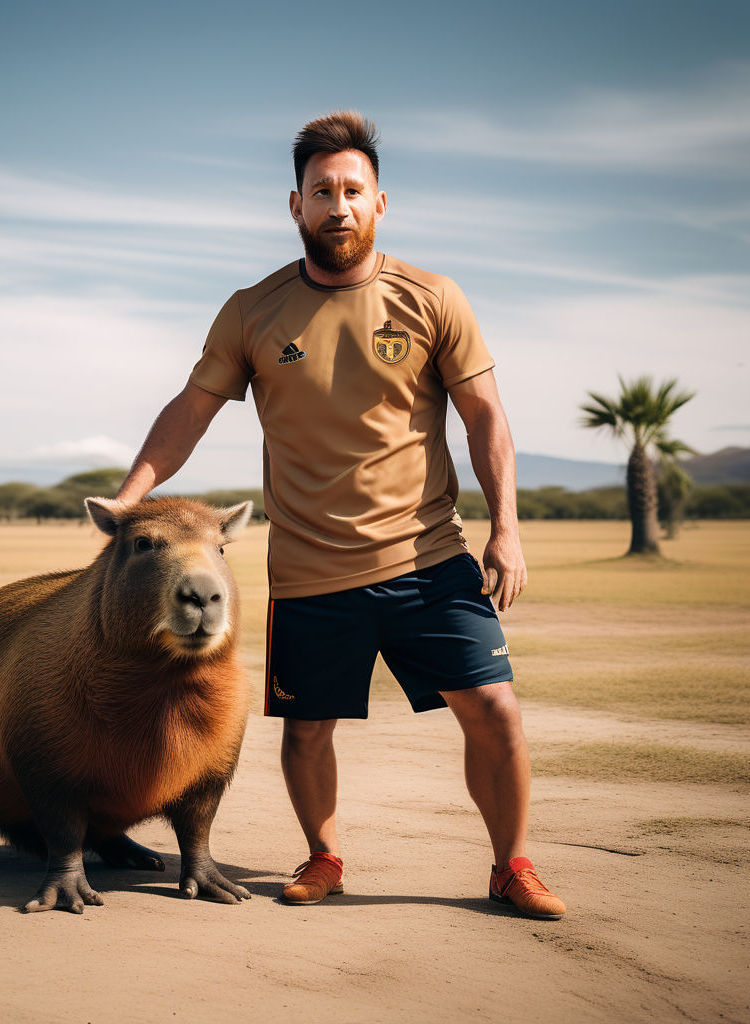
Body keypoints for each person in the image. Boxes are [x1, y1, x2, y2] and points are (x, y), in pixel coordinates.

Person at [115, 111, 565, 920]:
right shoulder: (252, 311)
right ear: (296, 206)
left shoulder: (433, 298)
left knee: (495, 710)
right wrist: (131, 492)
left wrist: (507, 528)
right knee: (307, 730)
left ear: (379, 202)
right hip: (310, 572)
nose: (338, 205)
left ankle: (511, 867)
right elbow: (191, 410)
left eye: (353, 190)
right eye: (322, 192)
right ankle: (323, 856)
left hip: (430, 559)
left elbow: (485, 417)